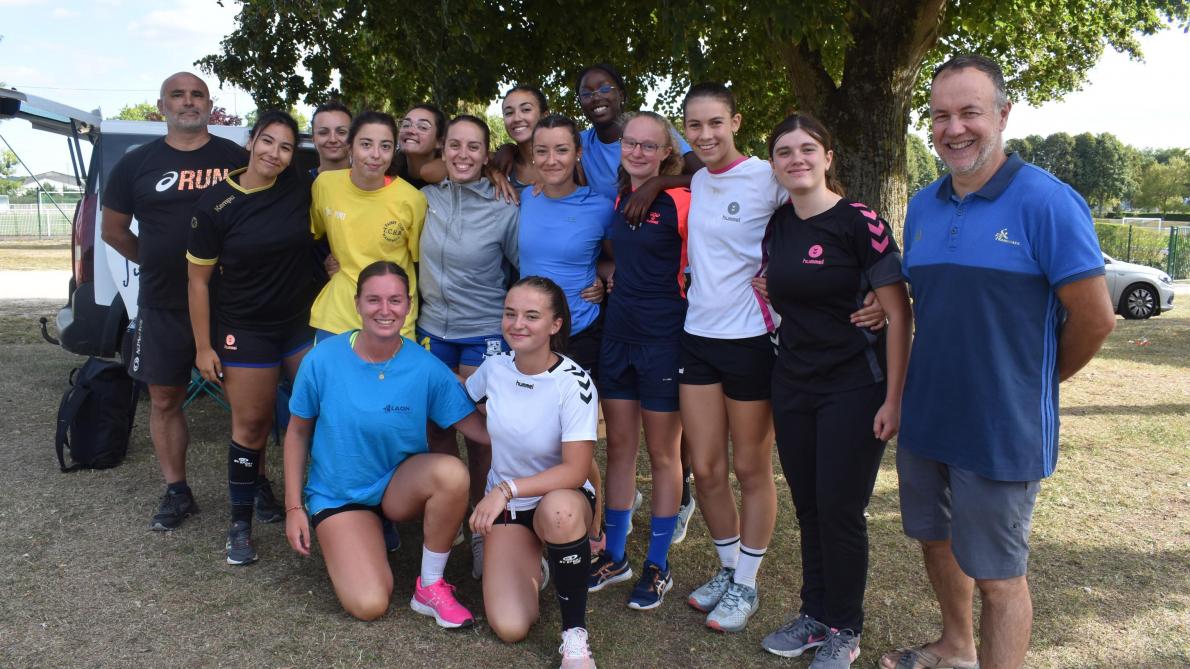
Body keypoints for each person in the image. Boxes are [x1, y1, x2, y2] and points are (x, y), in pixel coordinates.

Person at [879, 55, 1115, 669]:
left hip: (1000, 426)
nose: (954, 128)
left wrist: (1035, 379)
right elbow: (926, 298)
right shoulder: (926, 205)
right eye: (940, 116)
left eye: (969, 113)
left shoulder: (1048, 202)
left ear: (1004, 115)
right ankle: (956, 647)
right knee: (936, 541)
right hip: (929, 416)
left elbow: (1095, 319)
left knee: (998, 576)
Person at [678, 82, 885, 633]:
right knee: (705, 468)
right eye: (694, 125)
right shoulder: (697, 178)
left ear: (736, 122)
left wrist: (869, 293)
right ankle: (727, 571)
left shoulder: (769, 176)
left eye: (715, 123)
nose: (705, 135)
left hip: (752, 338)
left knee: (750, 466)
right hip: (696, 335)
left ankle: (747, 582)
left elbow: (823, 216)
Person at [754, 114, 912, 668]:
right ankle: (814, 615)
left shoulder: (859, 220)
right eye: (783, 152)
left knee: (841, 510)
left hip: (854, 386)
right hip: (793, 382)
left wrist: (893, 398)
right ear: (774, 164)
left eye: (806, 149)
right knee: (809, 507)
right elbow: (787, 293)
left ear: (827, 157)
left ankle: (846, 627)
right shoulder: (778, 224)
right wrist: (769, 289)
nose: (795, 159)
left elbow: (898, 314)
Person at [283, 261, 489, 626]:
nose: (384, 310)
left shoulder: (425, 366)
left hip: (397, 488)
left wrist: (547, 426)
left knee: (451, 474)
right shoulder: (322, 360)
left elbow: (478, 430)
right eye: (374, 300)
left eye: (395, 300)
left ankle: (430, 586)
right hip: (341, 495)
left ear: (408, 305)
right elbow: (297, 433)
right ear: (357, 303)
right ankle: (363, 535)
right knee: (370, 604)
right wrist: (293, 508)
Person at [100, 72, 250, 531]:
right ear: (162, 105)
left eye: (197, 94)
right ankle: (177, 491)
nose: (188, 102)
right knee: (165, 398)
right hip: (163, 301)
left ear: (210, 103)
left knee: (246, 401)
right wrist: (158, 260)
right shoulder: (135, 163)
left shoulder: (235, 158)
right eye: (178, 95)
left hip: (231, 300)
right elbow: (113, 230)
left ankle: (254, 484)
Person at [186, 110, 319, 565]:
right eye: (267, 141)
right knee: (252, 426)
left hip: (299, 325)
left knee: (318, 415)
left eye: (285, 146)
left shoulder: (299, 189)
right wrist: (204, 347)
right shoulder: (216, 204)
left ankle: (321, 509)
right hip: (245, 330)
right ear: (251, 141)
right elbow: (198, 282)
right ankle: (240, 525)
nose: (274, 153)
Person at [586, 111, 690, 610]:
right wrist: (606, 275)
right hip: (618, 335)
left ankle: (658, 563)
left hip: (664, 338)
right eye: (632, 143)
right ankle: (615, 554)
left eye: (651, 146)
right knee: (620, 449)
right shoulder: (616, 197)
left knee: (664, 454)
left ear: (667, 152)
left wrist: (663, 185)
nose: (639, 152)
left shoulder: (683, 198)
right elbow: (614, 253)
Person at [467, 276, 599, 669]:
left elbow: (576, 470)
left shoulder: (573, 383)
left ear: (555, 325)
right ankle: (540, 564)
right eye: (510, 313)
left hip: (562, 499)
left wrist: (505, 489)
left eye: (531, 315)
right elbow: (464, 402)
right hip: (511, 509)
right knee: (510, 626)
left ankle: (575, 639)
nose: (517, 324)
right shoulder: (494, 368)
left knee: (559, 513)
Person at [417, 114, 519, 577]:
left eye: (473, 147)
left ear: (486, 154)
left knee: (482, 434)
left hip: (485, 333)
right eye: (454, 145)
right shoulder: (423, 200)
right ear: (442, 151)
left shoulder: (504, 206)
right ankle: (448, 515)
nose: (462, 155)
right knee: (438, 428)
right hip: (432, 330)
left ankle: (483, 523)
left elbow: (524, 267)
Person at [309, 111, 425, 341]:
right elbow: (318, 234)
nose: (375, 155)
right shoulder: (325, 186)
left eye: (385, 146)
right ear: (349, 147)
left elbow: (420, 264)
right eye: (365, 144)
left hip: (392, 318)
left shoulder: (413, 200)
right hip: (337, 316)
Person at [499, 85, 549, 189]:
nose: (516, 118)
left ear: (544, 116)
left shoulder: (569, 164)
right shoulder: (501, 166)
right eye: (509, 113)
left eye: (526, 109)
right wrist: (492, 169)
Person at [392, 104, 448, 189]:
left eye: (423, 127)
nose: (410, 131)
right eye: (406, 125)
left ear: (439, 142)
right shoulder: (388, 167)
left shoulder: (450, 172)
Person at [310, 100, 352, 176]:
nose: (333, 139)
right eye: (323, 133)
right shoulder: (300, 184)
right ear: (313, 139)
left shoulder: (372, 183)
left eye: (341, 132)